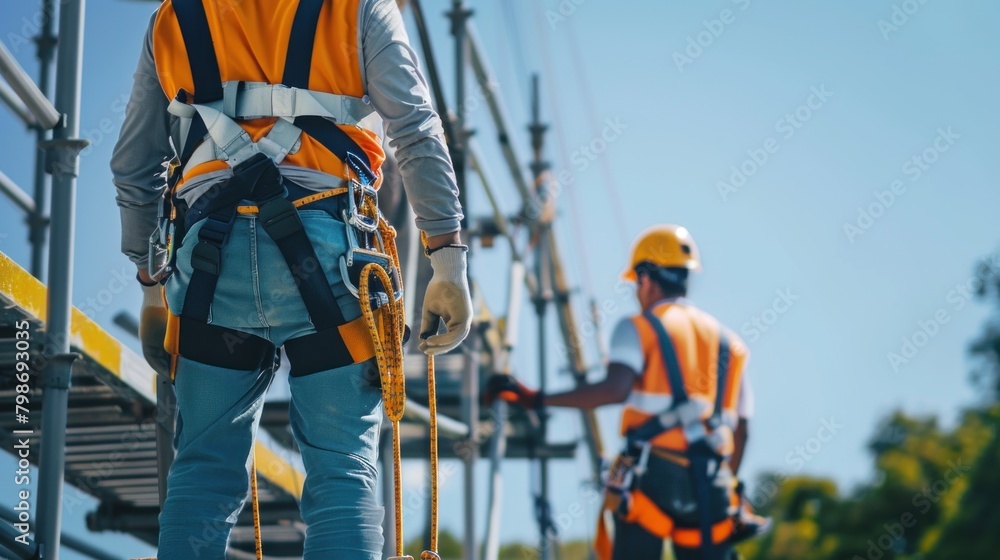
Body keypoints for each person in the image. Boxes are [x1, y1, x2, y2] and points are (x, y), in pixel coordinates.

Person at [111, 1, 472, 558]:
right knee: (343, 470)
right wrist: (446, 258)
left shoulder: (174, 17)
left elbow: (135, 165)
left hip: (211, 264)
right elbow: (416, 132)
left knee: (203, 471)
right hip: (328, 256)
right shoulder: (359, 9)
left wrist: (151, 283)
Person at [486, 224, 768, 560]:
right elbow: (743, 430)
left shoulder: (639, 327)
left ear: (645, 279)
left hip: (653, 481)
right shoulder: (730, 345)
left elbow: (614, 390)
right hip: (712, 486)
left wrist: (537, 398)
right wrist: (723, 482)